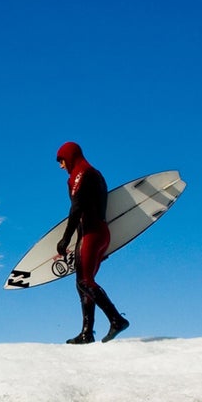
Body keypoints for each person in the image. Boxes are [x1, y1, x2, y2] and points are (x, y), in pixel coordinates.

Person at [54, 141, 130, 344]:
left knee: (84, 281)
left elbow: (77, 208)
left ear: (70, 157)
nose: (61, 166)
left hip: (91, 234)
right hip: (101, 234)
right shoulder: (96, 175)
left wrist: (66, 238)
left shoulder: (81, 174)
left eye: (62, 160)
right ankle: (87, 333)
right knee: (83, 284)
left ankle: (116, 319)